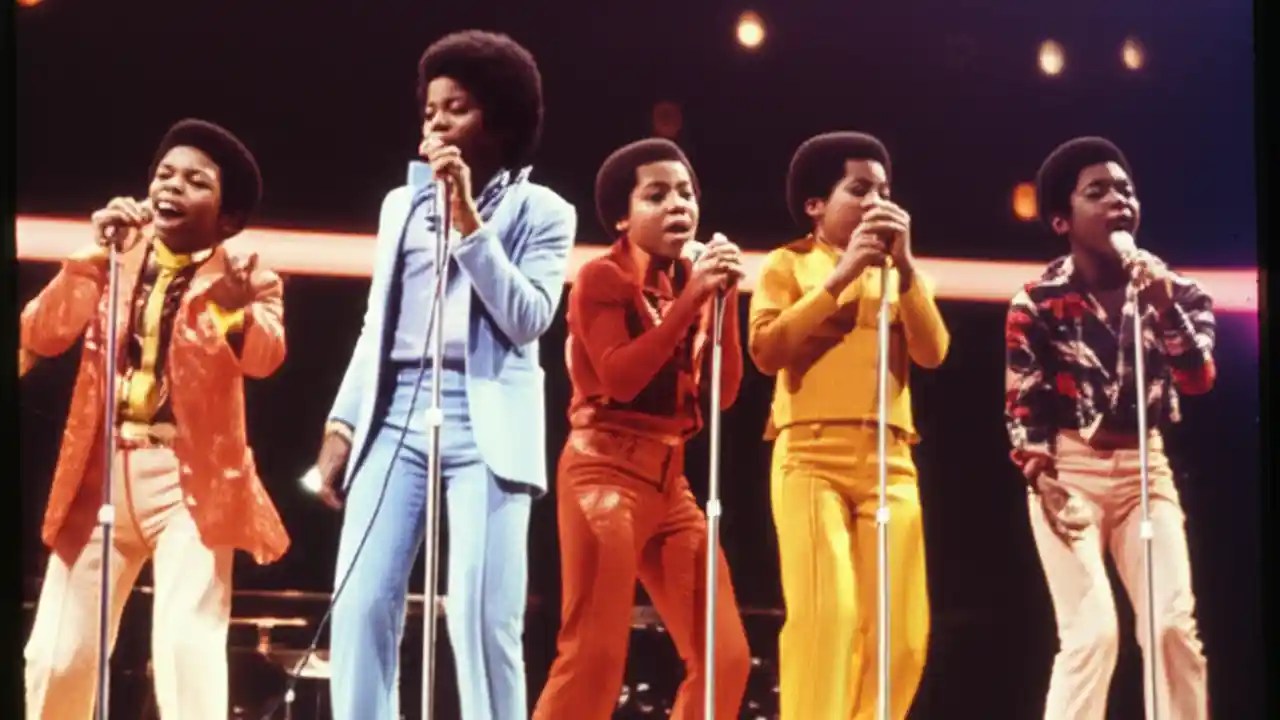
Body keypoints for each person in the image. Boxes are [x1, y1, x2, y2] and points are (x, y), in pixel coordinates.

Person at [314, 29, 577, 720]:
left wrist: (466, 218)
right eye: (430, 109)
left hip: (484, 418)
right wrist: (343, 422)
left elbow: (528, 317)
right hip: (395, 410)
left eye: (454, 107)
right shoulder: (400, 206)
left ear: (500, 118)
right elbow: (376, 325)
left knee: (480, 619)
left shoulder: (543, 212)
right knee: (362, 601)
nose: (435, 121)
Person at [21, 118, 289, 719]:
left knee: (186, 652)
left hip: (189, 486)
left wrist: (230, 317)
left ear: (225, 218)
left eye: (196, 181)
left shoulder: (249, 280)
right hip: (101, 475)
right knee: (57, 658)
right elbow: (43, 332)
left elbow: (266, 355)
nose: (172, 186)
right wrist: (92, 258)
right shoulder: (112, 259)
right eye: (165, 173)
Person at [531, 138, 751, 720]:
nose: (678, 204)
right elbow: (621, 377)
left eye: (686, 193)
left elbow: (723, 394)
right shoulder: (600, 279)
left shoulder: (693, 281)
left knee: (725, 658)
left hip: (669, 483)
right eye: (656, 195)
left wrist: (725, 303)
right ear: (624, 217)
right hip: (603, 475)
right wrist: (692, 302)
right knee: (595, 656)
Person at [1005, 136, 1214, 720]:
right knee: (1092, 633)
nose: (1118, 201)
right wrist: (1040, 476)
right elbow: (1025, 408)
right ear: (1061, 220)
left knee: (1172, 625)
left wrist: (1165, 308)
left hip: (1146, 470)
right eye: (1097, 192)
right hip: (1067, 472)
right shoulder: (1036, 302)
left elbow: (1197, 379)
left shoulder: (1179, 292)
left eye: (1125, 189)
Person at [747, 131, 949, 719]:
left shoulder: (903, 276)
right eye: (858, 189)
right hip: (810, 459)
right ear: (816, 205)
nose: (875, 201)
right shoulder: (789, 264)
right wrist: (839, 279)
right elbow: (766, 348)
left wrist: (903, 266)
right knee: (827, 620)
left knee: (902, 638)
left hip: (892, 464)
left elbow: (934, 351)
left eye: (884, 190)